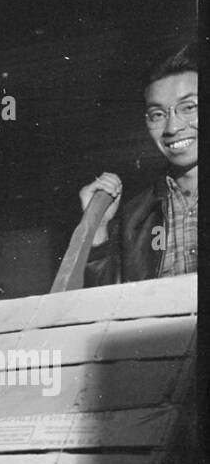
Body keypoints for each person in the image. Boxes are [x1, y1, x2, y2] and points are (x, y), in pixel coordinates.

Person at [80, 43, 197, 285]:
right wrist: (98, 227)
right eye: (158, 114)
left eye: (188, 107)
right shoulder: (135, 216)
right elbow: (110, 311)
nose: (172, 127)